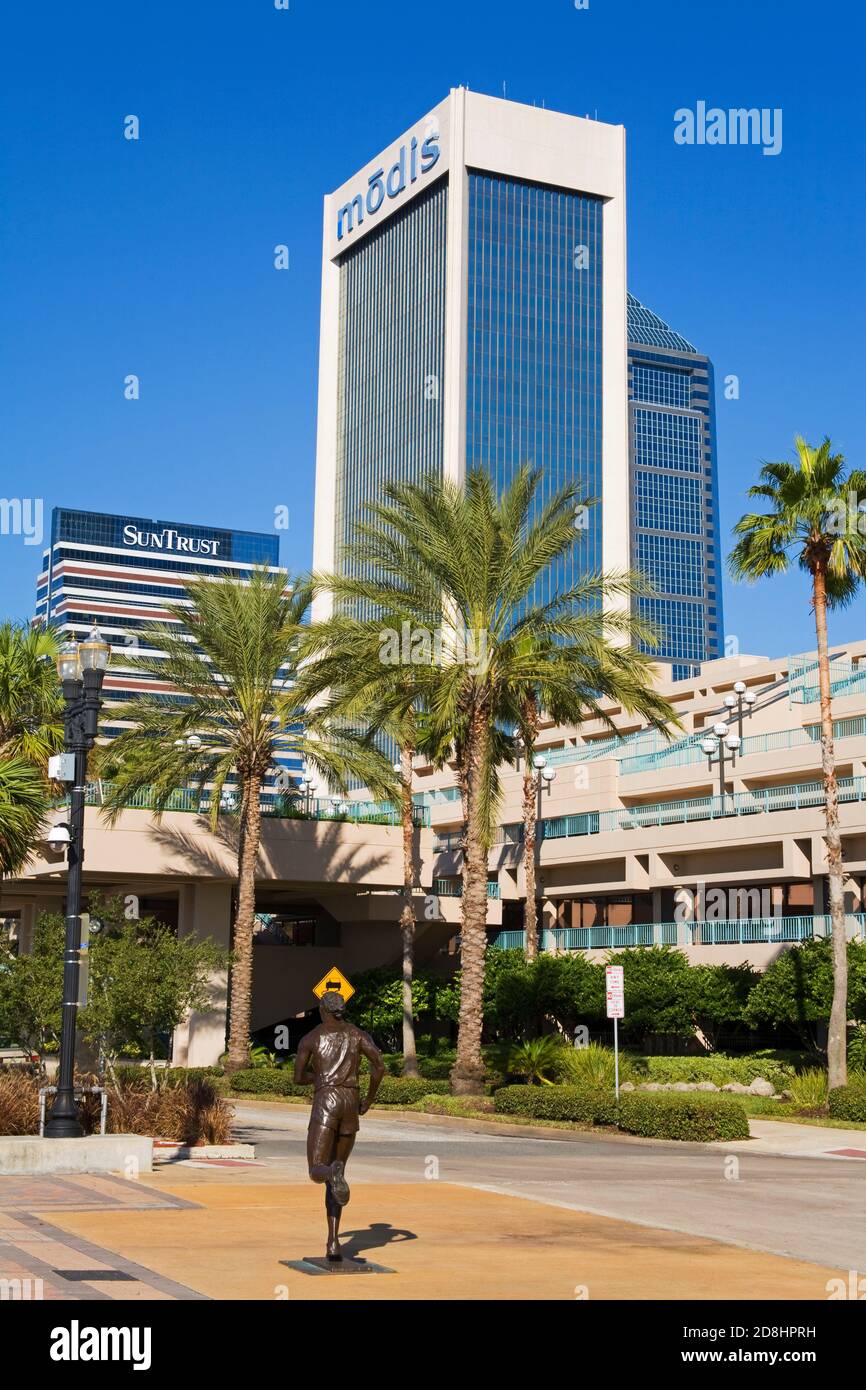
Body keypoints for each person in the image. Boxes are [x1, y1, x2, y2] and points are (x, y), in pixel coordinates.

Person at [294, 991, 385, 1262]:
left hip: (327, 1099)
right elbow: (379, 1067)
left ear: (323, 1010)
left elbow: (298, 1078)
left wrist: (319, 1077)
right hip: (351, 1101)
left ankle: (331, 1172)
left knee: (317, 1169)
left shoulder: (311, 1038)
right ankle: (333, 1242)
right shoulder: (357, 1034)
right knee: (337, 1177)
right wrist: (368, 1100)